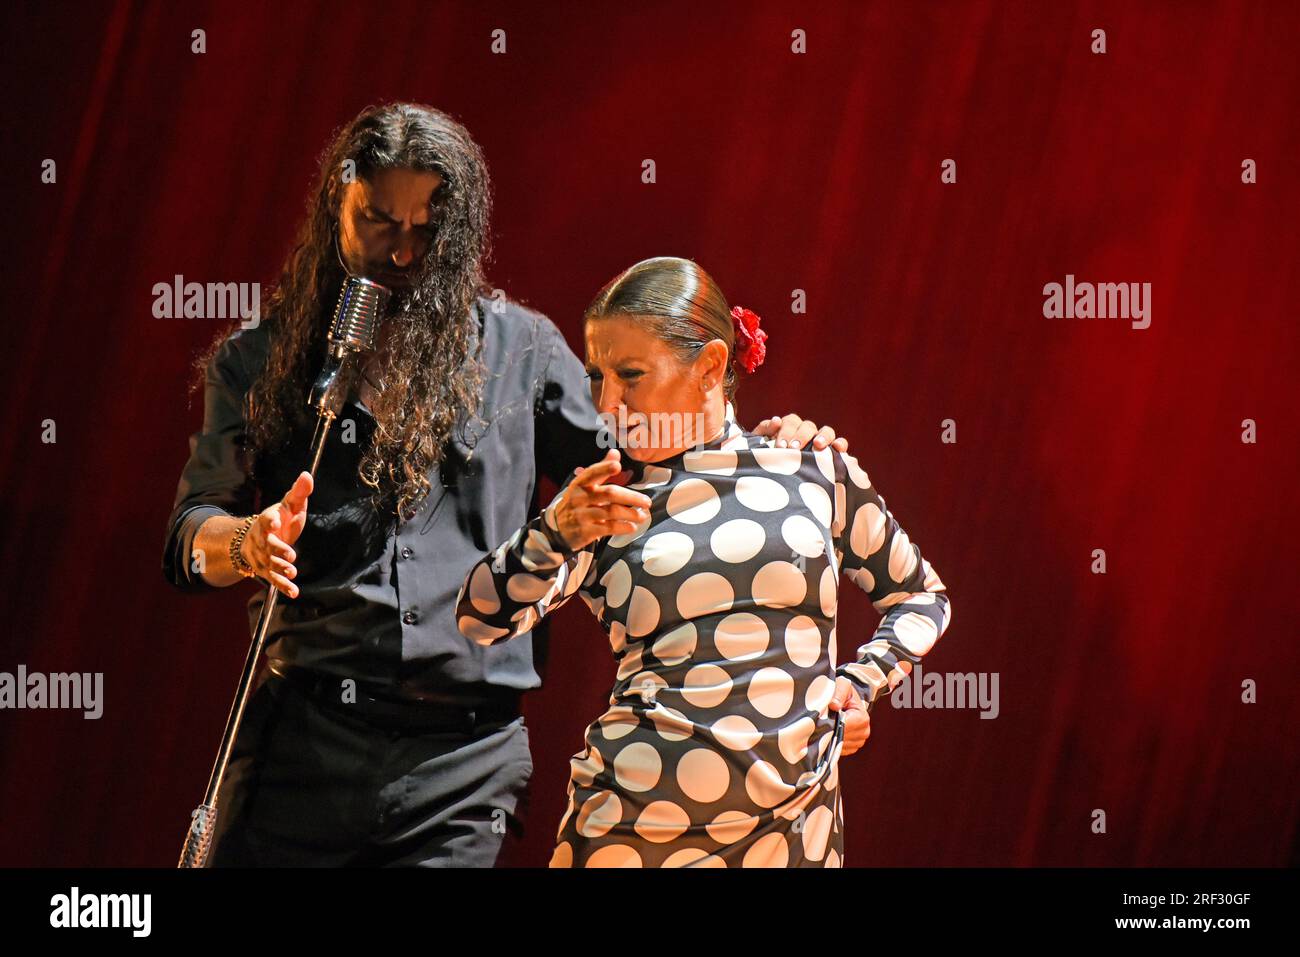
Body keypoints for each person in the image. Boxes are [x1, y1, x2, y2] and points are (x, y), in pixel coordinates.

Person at [162, 103, 850, 867]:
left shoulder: (522, 351)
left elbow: (652, 473)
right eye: (380, 221)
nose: (401, 253)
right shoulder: (261, 363)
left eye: (428, 230)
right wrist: (246, 543)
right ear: (338, 203)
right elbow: (191, 534)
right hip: (303, 745)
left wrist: (761, 453)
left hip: (462, 765)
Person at [456, 256, 953, 867]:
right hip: (632, 834)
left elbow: (922, 596)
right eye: (595, 377)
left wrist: (857, 685)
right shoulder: (604, 496)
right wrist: (551, 534)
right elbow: (480, 619)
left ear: (711, 365)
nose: (606, 402)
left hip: (792, 833)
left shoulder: (811, 467)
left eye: (630, 374)